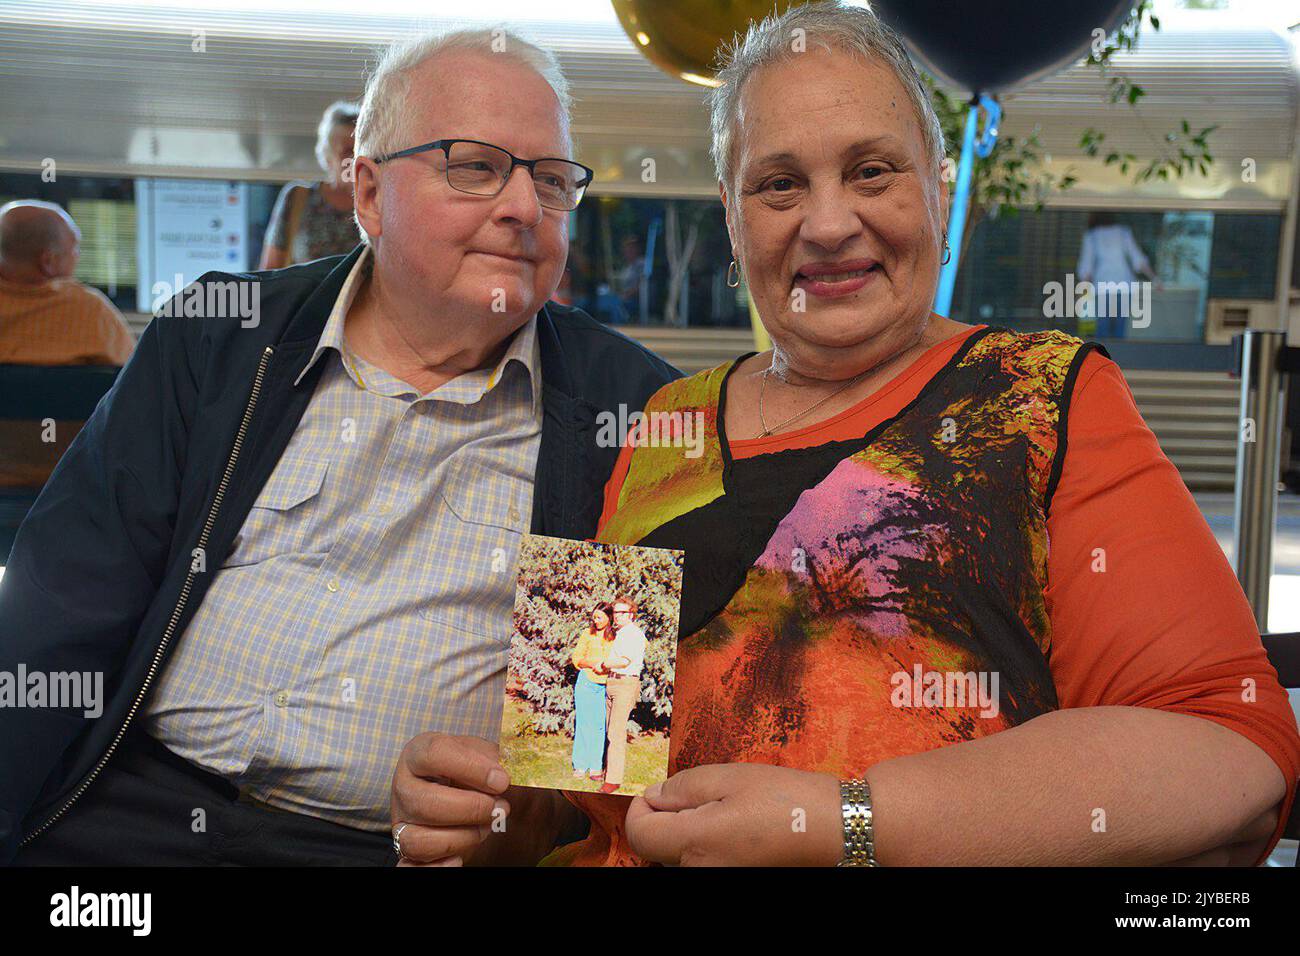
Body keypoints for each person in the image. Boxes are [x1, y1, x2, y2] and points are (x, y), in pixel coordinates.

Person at [542, 3, 1300, 867]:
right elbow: (579, 759)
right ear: (729, 212)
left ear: (938, 189)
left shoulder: (1046, 396)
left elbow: (1230, 743)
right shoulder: (663, 420)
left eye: (871, 172)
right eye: (778, 184)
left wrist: (848, 824)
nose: (827, 225)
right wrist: (501, 817)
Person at [0, 27, 680, 866]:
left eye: (550, 179)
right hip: (127, 815)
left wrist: (524, 824)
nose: (521, 207)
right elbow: (57, 611)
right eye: (474, 165)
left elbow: (595, 745)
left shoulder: (627, 410)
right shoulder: (220, 340)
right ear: (366, 193)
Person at [0, 200, 134, 366]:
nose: (77, 257)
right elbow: (135, 375)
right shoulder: (90, 311)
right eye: (74, 249)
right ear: (48, 262)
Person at [259, 101, 363, 268]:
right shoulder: (298, 198)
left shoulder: (378, 203)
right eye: (347, 151)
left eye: (361, 150)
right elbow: (270, 271)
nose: (355, 159)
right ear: (327, 156)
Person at [1076, 211, 1157, 338]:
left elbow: (1087, 266)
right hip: (1124, 285)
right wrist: (1155, 279)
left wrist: (1083, 292)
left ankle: (1102, 356)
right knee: (1120, 328)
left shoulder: (1092, 236)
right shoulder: (1123, 232)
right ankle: (1119, 355)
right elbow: (1138, 259)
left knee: (1102, 328)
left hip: (1102, 287)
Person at [599, 597, 647, 794]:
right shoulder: (621, 634)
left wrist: (603, 664)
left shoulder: (633, 634)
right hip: (613, 682)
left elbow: (624, 661)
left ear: (631, 615)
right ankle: (608, 770)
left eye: (622, 613)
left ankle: (613, 780)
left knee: (616, 733)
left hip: (625, 684)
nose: (617, 616)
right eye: (615, 612)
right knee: (610, 730)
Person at [571, 604, 614, 780]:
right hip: (586, 683)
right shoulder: (586, 634)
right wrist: (592, 664)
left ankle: (596, 766)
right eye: (594, 617)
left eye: (600, 617)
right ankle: (580, 765)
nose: (596, 621)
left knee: (598, 726)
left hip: (604, 686)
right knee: (583, 724)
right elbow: (577, 658)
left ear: (609, 618)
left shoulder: (616, 637)